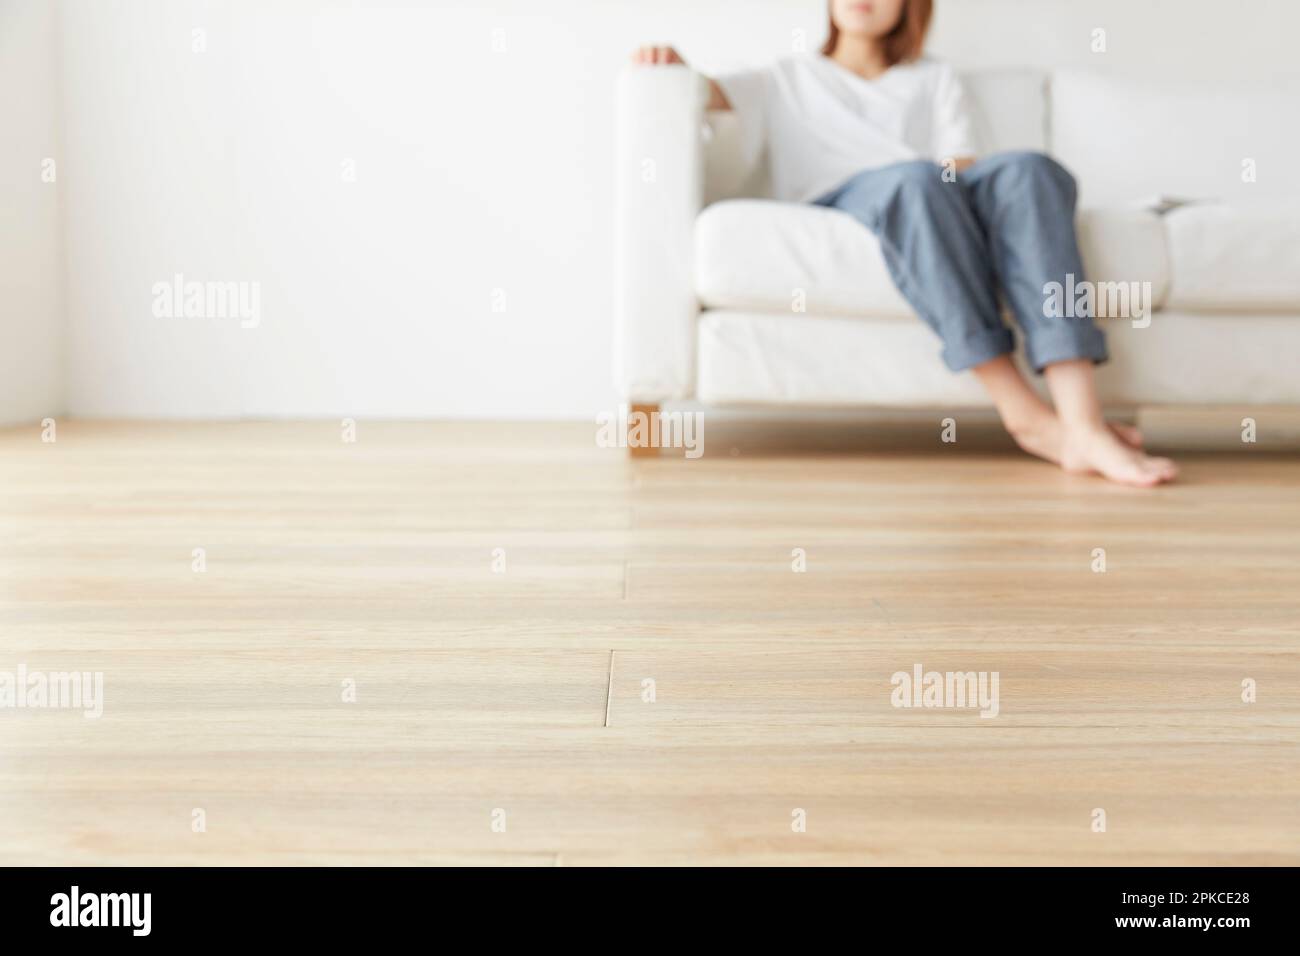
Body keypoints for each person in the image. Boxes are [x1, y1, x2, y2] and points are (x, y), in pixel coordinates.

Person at [631, 0, 1177, 486]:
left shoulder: (932, 78)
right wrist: (674, 62)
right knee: (913, 181)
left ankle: (1080, 420)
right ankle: (1026, 417)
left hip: (933, 189)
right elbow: (707, 92)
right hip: (857, 195)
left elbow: (958, 163)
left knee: (1028, 170)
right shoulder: (788, 77)